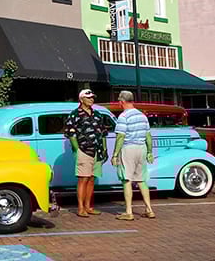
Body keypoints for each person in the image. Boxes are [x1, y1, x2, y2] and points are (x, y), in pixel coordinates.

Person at [111, 91, 155, 220]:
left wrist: (115, 155)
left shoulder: (123, 117)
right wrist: (150, 152)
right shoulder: (142, 116)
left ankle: (129, 212)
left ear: (122, 102)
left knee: (127, 180)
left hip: (128, 148)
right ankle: (149, 209)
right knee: (141, 180)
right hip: (141, 148)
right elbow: (148, 136)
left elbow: (120, 137)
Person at [64, 89, 108, 217]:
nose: (91, 99)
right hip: (84, 150)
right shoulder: (75, 114)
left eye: (92, 97)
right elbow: (71, 134)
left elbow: (103, 133)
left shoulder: (98, 114)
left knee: (91, 179)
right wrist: (77, 150)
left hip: (97, 150)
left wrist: (104, 149)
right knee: (83, 179)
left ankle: (89, 206)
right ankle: (80, 208)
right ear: (81, 99)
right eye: (88, 98)